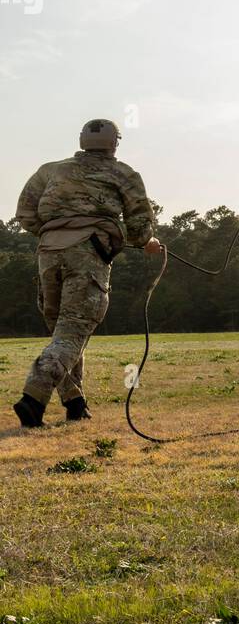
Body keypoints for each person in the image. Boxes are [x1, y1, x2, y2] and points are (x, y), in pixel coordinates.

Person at [13, 120, 162, 428]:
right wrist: (148, 243)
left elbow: (25, 213)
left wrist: (57, 233)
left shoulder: (50, 170)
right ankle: (33, 398)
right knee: (73, 331)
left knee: (63, 333)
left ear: (82, 140)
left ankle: (75, 404)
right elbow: (138, 229)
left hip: (48, 255)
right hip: (88, 256)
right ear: (115, 144)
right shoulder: (124, 174)